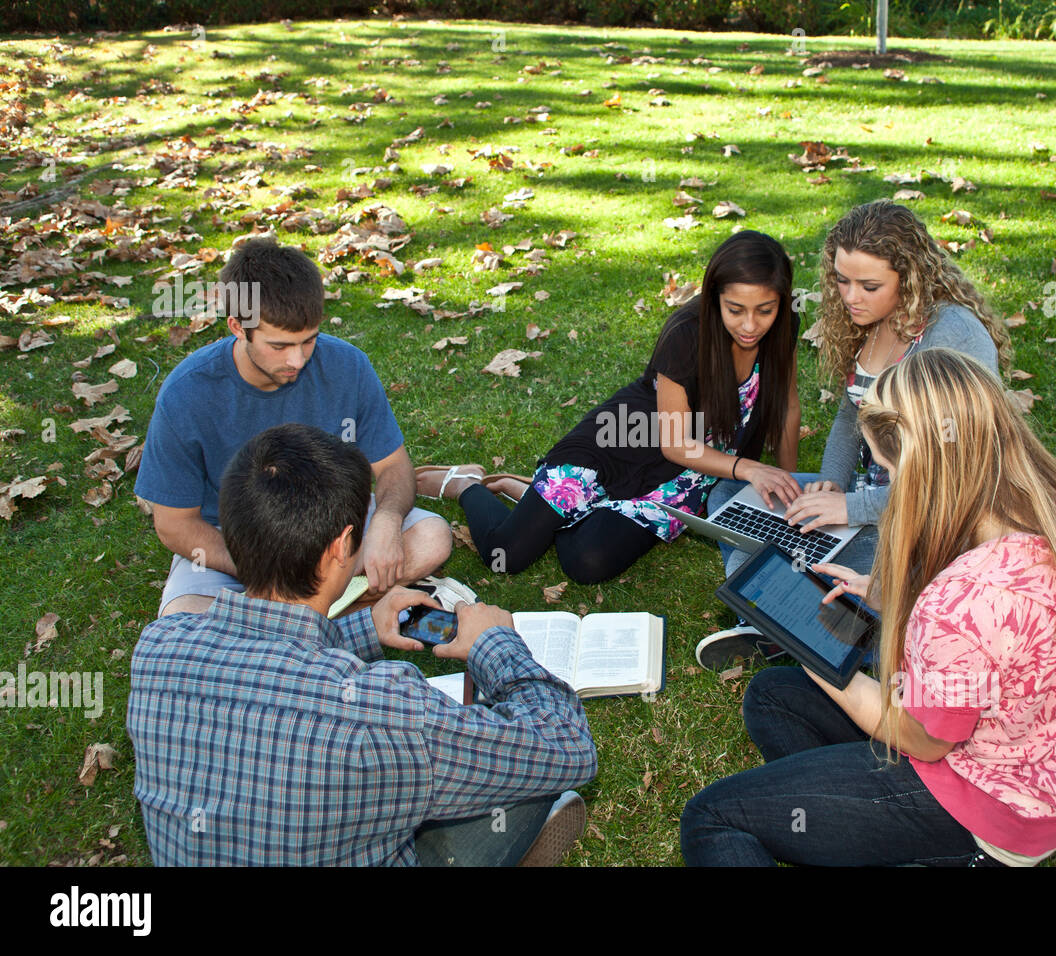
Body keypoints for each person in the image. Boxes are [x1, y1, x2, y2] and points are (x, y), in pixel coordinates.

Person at [680, 349, 1056, 866]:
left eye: (886, 473)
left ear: (922, 471)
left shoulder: (961, 601)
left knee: (712, 817)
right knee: (773, 696)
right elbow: (1010, 638)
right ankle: (856, 832)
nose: (888, 490)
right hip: (1054, 779)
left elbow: (923, 741)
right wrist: (891, 597)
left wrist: (813, 655)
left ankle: (917, 843)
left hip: (986, 811)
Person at [127, 423, 598, 866]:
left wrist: (366, 629)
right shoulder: (384, 710)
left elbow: (272, 673)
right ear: (341, 546)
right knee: (515, 786)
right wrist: (495, 644)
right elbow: (570, 747)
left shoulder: (159, 646)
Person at [695, 199, 1013, 669]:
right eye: (842, 280)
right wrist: (831, 481)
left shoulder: (954, 339)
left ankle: (805, 620)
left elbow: (959, 478)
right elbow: (850, 413)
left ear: (911, 277)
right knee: (736, 491)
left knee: (859, 563)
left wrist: (850, 507)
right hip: (869, 494)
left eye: (869, 285)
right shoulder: (871, 320)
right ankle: (788, 609)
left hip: (930, 516)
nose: (850, 297)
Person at [417, 230, 802, 585]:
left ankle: (543, 501)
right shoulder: (686, 333)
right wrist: (749, 468)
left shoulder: (784, 326)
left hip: (688, 475)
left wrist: (786, 483)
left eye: (764, 310)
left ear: (781, 301)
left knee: (586, 562)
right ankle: (466, 485)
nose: (751, 324)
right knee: (507, 553)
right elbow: (674, 444)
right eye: (735, 309)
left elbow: (786, 407)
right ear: (714, 294)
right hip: (623, 441)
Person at [134, 237, 450, 617]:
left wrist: (385, 520)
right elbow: (174, 524)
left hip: (336, 527)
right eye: (280, 345)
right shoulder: (186, 393)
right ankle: (335, 614)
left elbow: (393, 467)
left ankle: (282, 623)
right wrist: (265, 575)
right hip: (237, 544)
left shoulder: (348, 365)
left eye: (309, 340)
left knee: (432, 538)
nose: (298, 360)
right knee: (180, 620)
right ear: (238, 326)